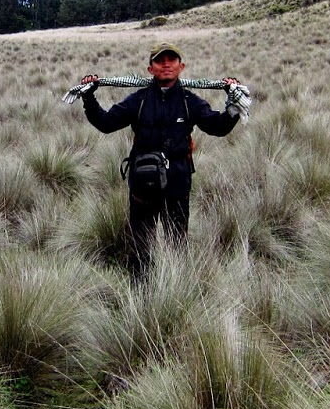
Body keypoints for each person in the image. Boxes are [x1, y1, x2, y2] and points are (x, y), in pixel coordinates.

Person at [78, 42, 243, 277]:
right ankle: (140, 290)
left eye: (171, 60)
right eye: (159, 60)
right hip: (143, 185)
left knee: (177, 242)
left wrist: (233, 105)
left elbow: (218, 127)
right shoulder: (139, 100)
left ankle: (174, 288)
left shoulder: (190, 101)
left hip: (177, 183)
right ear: (150, 69)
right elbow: (106, 123)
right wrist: (89, 98)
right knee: (141, 243)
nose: (166, 64)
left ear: (181, 66)